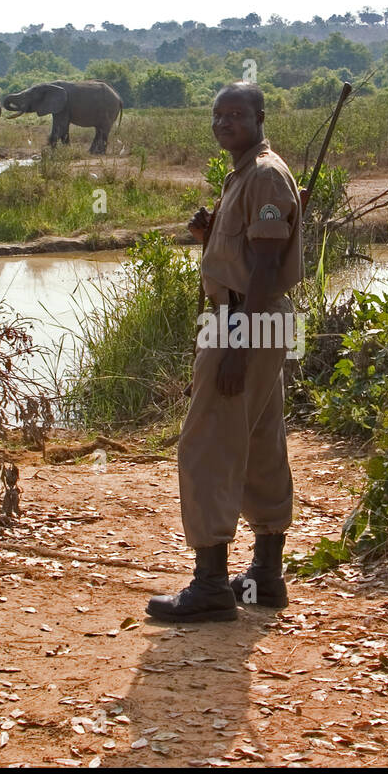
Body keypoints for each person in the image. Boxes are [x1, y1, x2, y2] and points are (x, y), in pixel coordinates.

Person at [146, 82, 304, 622]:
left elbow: (264, 266)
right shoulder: (246, 171)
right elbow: (249, 252)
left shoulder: (262, 173)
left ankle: (210, 584)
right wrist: (213, 236)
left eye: (236, 114)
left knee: (206, 445)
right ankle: (264, 574)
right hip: (249, 318)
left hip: (244, 320)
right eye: (218, 115)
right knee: (259, 439)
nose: (224, 123)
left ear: (260, 118)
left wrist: (238, 341)